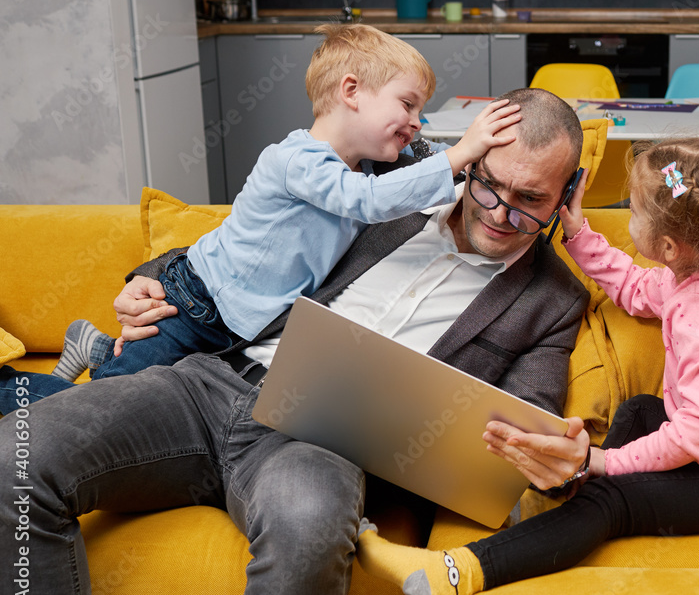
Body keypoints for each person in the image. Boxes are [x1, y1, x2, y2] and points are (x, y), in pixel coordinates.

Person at [0, 87, 594, 595]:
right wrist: (150, 278)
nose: (498, 214)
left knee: (308, 532)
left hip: (322, 445)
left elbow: (523, 429)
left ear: (567, 196)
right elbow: (249, 236)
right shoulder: (387, 186)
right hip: (212, 384)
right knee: (13, 458)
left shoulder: (554, 298)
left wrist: (553, 465)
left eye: (529, 202)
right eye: (488, 186)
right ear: (473, 155)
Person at [355, 138, 699, 595]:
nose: (628, 217)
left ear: (667, 246)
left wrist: (604, 463)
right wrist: (578, 232)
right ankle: (571, 497)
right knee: (641, 411)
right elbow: (634, 287)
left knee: (611, 502)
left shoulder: (698, 318)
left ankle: (453, 574)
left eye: (634, 211)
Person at [36, 23, 521, 394]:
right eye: (408, 105)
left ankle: (92, 347)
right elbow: (369, 204)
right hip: (196, 306)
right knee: (101, 406)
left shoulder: (367, 167)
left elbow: (425, 167)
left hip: (241, 327)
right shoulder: (296, 161)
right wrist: (462, 151)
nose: (417, 123)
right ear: (351, 92)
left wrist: (471, 154)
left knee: (149, 392)